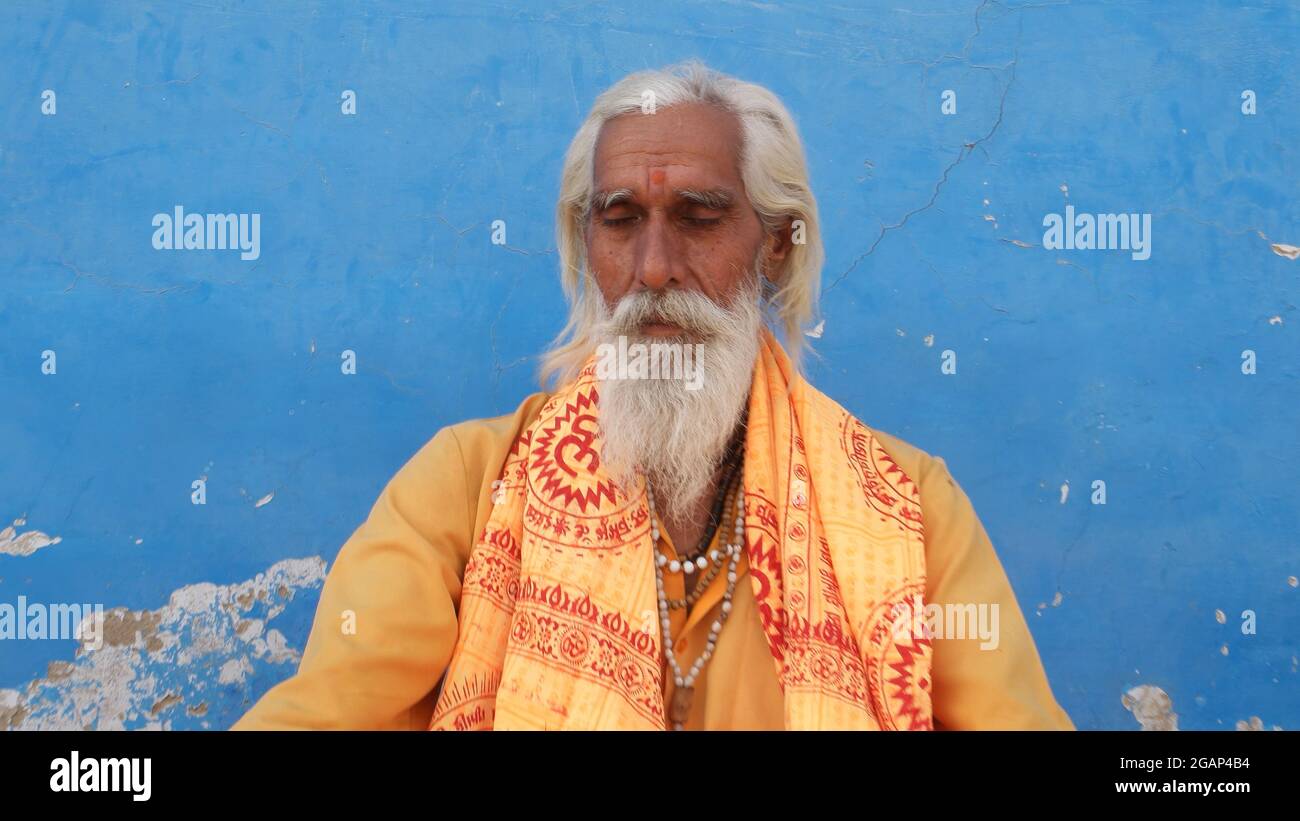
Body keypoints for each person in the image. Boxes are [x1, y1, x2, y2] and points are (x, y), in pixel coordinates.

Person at [234, 60, 1074, 731]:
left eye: (701, 217)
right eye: (621, 218)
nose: (654, 269)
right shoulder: (467, 486)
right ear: (586, 241)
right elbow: (327, 711)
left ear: (777, 245)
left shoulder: (908, 509)